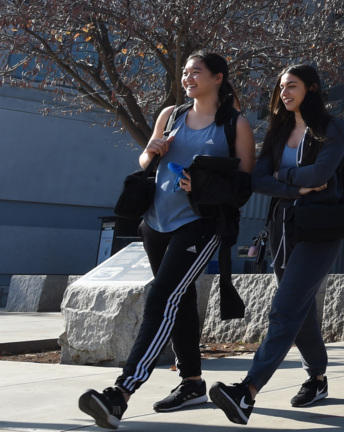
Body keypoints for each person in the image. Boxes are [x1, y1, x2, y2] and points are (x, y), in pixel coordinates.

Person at [79, 52, 256, 429]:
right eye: (186, 73)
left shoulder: (234, 125)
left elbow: (242, 187)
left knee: (162, 297)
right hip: (155, 222)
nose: (188, 78)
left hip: (200, 224)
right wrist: (151, 152)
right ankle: (192, 382)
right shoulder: (171, 115)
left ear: (218, 78)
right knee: (181, 299)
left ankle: (120, 394)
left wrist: (204, 185)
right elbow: (146, 162)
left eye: (197, 72)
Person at [210, 64, 344, 425]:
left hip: (319, 231)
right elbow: (256, 179)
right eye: (281, 86)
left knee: (285, 309)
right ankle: (317, 377)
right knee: (301, 314)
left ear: (312, 89)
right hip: (282, 230)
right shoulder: (278, 130)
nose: (284, 92)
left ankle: (247, 391)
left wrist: (282, 177)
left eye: (292, 86)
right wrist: (295, 187)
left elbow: (321, 174)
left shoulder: (332, 128)